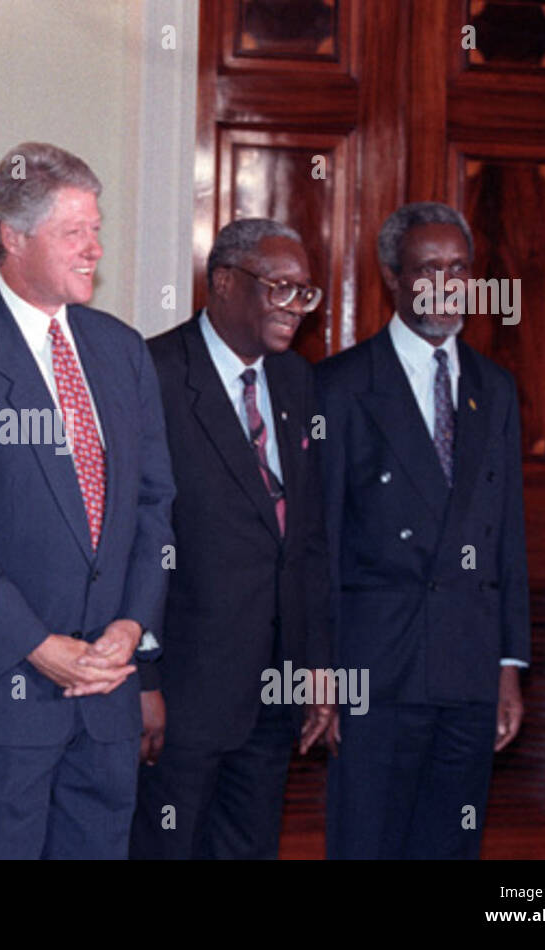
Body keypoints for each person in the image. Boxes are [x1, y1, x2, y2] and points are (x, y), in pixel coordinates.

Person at [0, 142, 175, 859]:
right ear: (13, 239)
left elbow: (154, 505)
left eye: (97, 228)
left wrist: (131, 627)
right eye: (74, 232)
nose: (95, 249)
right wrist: (36, 646)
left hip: (107, 699)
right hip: (4, 701)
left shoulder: (122, 350)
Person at [315, 201, 529, 859]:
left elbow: (507, 538)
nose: (446, 283)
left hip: (468, 671)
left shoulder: (494, 389)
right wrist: (320, 675)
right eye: (427, 268)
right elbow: (316, 544)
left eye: (459, 268)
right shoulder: (340, 387)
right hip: (376, 671)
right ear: (394, 277)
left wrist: (509, 665)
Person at [130, 218, 334, 859]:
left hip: (273, 696)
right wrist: (142, 676)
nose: (295, 308)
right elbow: (132, 536)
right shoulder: (153, 373)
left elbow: (308, 537)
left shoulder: (300, 382)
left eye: (305, 292)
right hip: (182, 691)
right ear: (223, 283)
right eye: (280, 288)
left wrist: (317, 668)